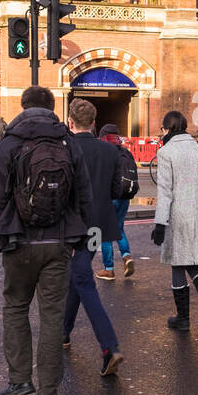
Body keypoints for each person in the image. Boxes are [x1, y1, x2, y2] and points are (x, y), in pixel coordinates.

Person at [0, 86, 92, 395]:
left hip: (19, 242)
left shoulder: (10, 143)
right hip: (57, 244)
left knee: (16, 307)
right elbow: (83, 197)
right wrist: (76, 239)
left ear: (23, 106)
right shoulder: (67, 142)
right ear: (52, 107)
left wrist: (2, 234)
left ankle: (19, 379)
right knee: (51, 317)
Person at [62, 100, 125, 375]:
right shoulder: (109, 150)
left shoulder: (66, 149)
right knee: (78, 277)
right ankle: (63, 333)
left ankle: (109, 346)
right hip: (100, 224)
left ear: (70, 122)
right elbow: (114, 189)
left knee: (83, 280)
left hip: (75, 227)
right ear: (94, 121)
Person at [152, 110, 198, 332]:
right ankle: (187, 314)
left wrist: (160, 223)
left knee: (184, 259)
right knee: (182, 260)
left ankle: (195, 311)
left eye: (162, 129)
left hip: (178, 214)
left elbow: (165, 191)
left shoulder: (166, 152)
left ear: (168, 129)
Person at [97, 123, 135, 280]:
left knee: (105, 233)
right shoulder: (126, 152)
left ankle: (109, 269)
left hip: (109, 197)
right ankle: (126, 257)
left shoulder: (103, 152)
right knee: (119, 229)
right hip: (124, 197)